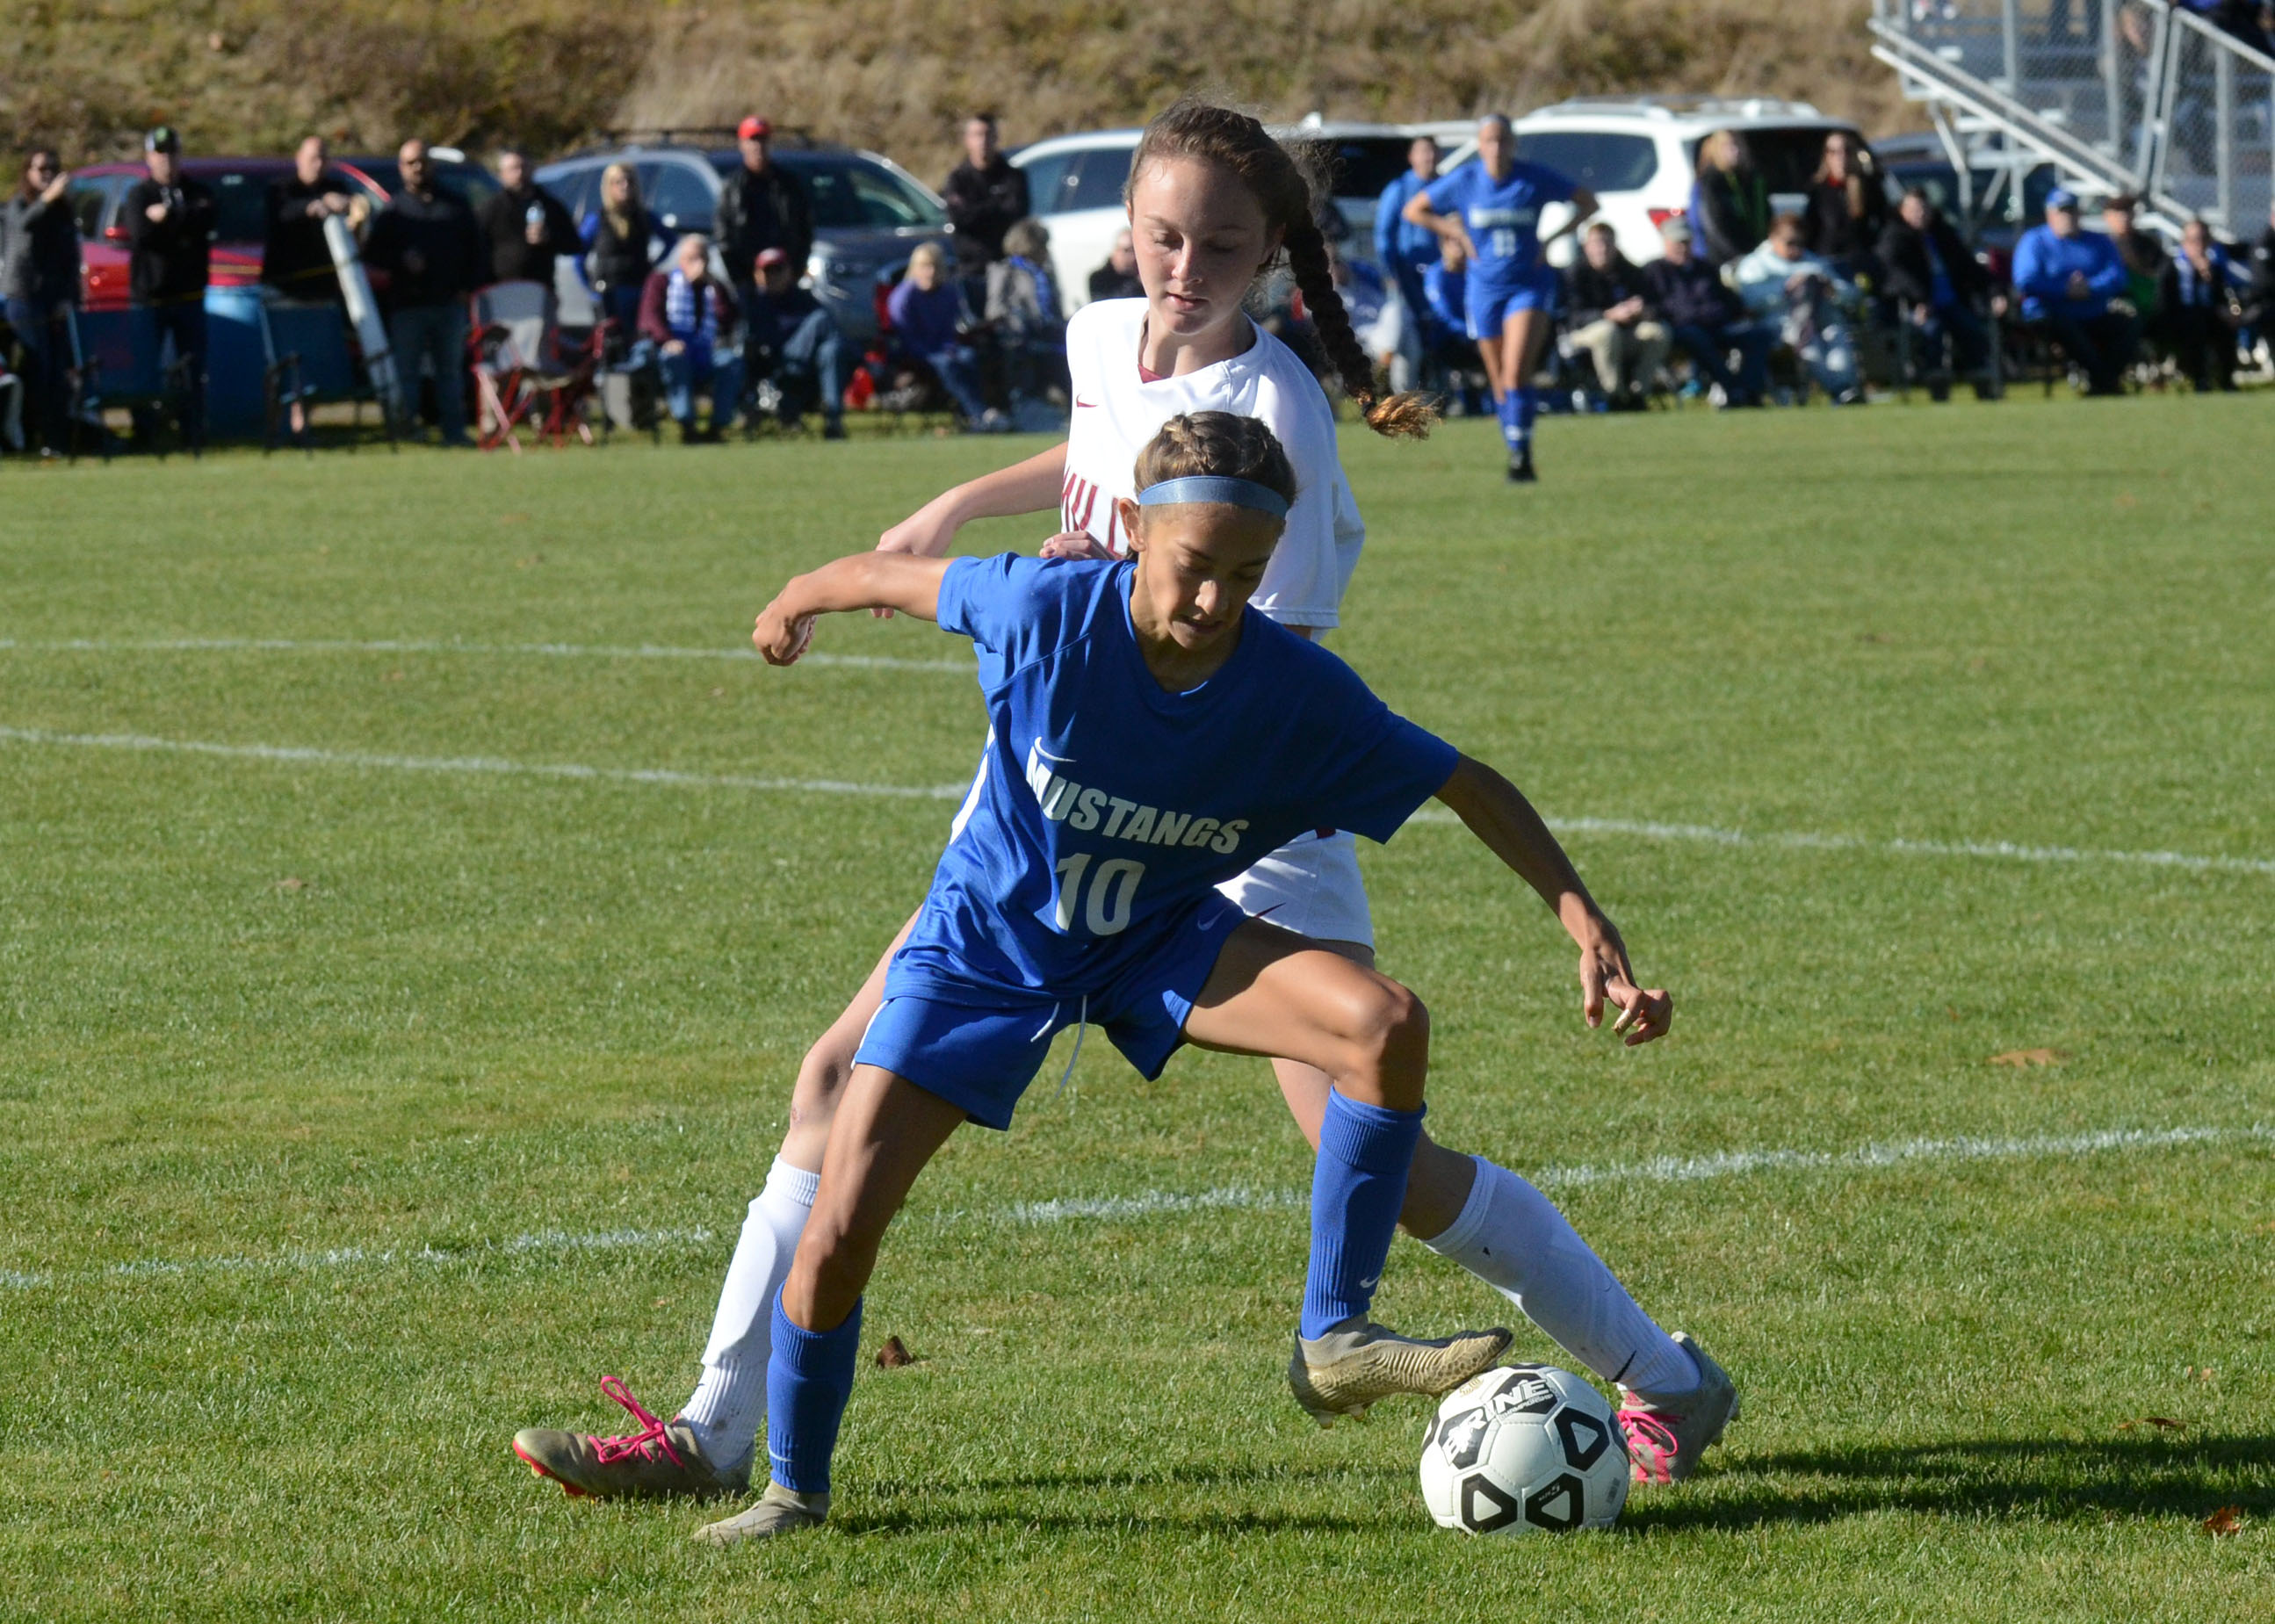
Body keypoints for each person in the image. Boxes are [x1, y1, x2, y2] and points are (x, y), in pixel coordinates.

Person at [510, 99, 1735, 1535]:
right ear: (1127, 231)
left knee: (1382, 1155)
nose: (1183, 267)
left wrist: (1099, 607)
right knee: (832, 1077)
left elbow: (1243, 635)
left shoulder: (1279, 415)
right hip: (1061, 783)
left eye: (1219, 244)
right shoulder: (1109, 337)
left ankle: (1657, 1372)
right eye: (1163, 236)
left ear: (1270, 252)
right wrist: (959, 500)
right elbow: (1098, 458)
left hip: (1234, 808)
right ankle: (726, 1430)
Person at [694, 410, 1681, 1541]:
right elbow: (891, 574)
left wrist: (1580, 915)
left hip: (1155, 938)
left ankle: (1335, 1335)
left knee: (1382, 1024)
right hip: (984, 948)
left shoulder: (1291, 688)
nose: (1214, 602)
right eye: (1192, 569)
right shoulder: (1044, 610)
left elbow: (1467, 781)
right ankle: (791, 1492)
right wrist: (793, 597)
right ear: (1131, 530)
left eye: (1246, 576)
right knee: (839, 1229)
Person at [1404, 112, 1598, 481]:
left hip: (1528, 285)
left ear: (1513, 144)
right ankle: (1514, 445)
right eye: (1489, 141)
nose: (1496, 148)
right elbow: (1415, 210)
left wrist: (1553, 238)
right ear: (1479, 145)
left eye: (1503, 140)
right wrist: (1455, 233)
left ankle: (1522, 454)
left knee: (1515, 371)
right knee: (1496, 376)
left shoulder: (1533, 177)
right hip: (1484, 288)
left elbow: (1588, 202)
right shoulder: (1466, 180)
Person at [363, 139, 485, 444]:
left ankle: (454, 431)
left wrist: (467, 289)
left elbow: (478, 251)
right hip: (408, 303)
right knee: (407, 372)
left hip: (448, 302)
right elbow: (373, 255)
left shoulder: (455, 205)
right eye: (410, 163)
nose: (417, 168)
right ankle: (408, 430)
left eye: (422, 162)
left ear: (432, 164)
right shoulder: (393, 211)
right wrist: (401, 261)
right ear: (402, 169)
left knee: (451, 372)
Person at [121, 126, 216, 448]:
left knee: (192, 368)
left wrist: (169, 216)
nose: (167, 160)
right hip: (150, 298)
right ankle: (144, 433)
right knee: (145, 368)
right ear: (149, 157)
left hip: (189, 296)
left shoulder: (196, 191)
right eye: (160, 153)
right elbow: (141, 233)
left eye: (172, 152)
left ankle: (192, 431)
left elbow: (207, 218)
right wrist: (177, 223)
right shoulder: (139, 195)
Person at [1876, 186, 2004, 397]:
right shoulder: (1894, 239)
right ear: (1902, 211)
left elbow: (1969, 267)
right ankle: (1937, 386)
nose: (1921, 215)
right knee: (1932, 331)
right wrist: (1920, 299)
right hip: (1918, 306)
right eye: (1915, 209)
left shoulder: (1943, 235)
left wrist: (1995, 291)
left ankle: (1982, 382)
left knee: (1971, 329)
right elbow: (1896, 275)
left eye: (1925, 209)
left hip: (1951, 303)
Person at [2011, 187, 2136, 394]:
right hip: (2049, 314)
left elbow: (2118, 277)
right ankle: (2105, 383)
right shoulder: (2035, 241)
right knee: (2067, 328)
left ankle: (2102, 383)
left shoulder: (2099, 242)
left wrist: (2090, 288)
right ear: (2050, 214)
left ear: (2080, 214)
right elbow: (2025, 281)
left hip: (2093, 311)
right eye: (2062, 211)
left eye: (2072, 211)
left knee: (2128, 324)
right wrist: (2064, 290)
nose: (2067, 216)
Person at [1731, 213, 1863, 404]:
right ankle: (1839, 391)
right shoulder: (1755, 264)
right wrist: (1786, 288)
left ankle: (1845, 389)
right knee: (1809, 344)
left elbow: (1852, 295)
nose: (1796, 249)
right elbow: (1751, 301)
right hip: (1781, 324)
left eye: (1801, 243)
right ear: (1773, 238)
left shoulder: (1812, 262)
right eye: (1790, 243)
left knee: (1837, 337)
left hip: (1821, 320)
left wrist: (1831, 289)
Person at [1641, 215, 1771, 407]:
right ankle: (1733, 389)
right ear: (1665, 243)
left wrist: (1743, 310)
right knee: (1696, 336)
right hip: (1683, 329)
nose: (1682, 247)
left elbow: (1727, 300)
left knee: (1759, 335)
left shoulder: (1705, 268)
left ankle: (1750, 391)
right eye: (1677, 242)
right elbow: (1656, 307)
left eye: (1686, 242)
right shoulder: (1655, 271)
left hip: (1717, 326)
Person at [1, 147, 80, 458]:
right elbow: (22, 229)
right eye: (41, 168)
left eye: (53, 168)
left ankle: (56, 439)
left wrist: (69, 299)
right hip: (24, 298)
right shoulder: (17, 207)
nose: (47, 174)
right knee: (37, 365)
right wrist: (46, 200)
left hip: (54, 300)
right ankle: (32, 437)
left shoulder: (62, 212)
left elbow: (71, 260)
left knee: (57, 370)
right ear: (28, 173)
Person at [639, 233, 742, 442]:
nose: (700, 264)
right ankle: (687, 425)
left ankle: (717, 427)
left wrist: (713, 288)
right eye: (693, 259)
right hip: (671, 350)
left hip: (705, 353)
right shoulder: (661, 281)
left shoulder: (714, 287)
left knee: (731, 361)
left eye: (704, 258)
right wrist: (668, 340)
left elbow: (728, 319)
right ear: (681, 260)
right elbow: (649, 318)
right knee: (674, 358)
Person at [887, 241, 997, 429]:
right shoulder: (904, 297)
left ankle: (977, 412)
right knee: (946, 364)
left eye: (934, 266)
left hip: (943, 348)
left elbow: (949, 330)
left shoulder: (947, 293)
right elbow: (905, 335)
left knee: (968, 357)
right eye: (924, 266)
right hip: (916, 351)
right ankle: (978, 416)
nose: (930, 272)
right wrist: (936, 351)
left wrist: (949, 347)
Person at [1560, 220, 1669, 409]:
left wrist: (1643, 311)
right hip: (1582, 335)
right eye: (1597, 243)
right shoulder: (1575, 274)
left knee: (1658, 332)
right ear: (1586, 247)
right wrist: (1609, 315)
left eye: (1608, 243)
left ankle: (1638, 395)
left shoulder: (1628, 271)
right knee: (1607, 331)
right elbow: (1573, 317)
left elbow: (1657, 305)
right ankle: (1614, 396)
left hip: (1625, 333)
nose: (1603, 249)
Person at [715, 117, 812, 315]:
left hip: (786, 279)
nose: (758, 146)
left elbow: (805, 230)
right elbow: (724, 238)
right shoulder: (732, 187)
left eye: (762, 140)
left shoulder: (788, 185)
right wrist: (743, 280)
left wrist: (793, 273)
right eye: (752, 140)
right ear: (742, 144)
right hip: (750, 283)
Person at [746, 245, 845, 437]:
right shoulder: (755, 305)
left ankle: (833, 418)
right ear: (757, 275)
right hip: (780, 364)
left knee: (832, 349)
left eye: (778, 270)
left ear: (790, 272)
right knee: (821, 319)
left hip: (811, 367)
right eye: (768, 271)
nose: (773, 276)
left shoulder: (804, 299)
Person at [261, 136, 358, 301]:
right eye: (313, 158)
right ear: (299, 158)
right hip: (285, 287)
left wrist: (347, 204)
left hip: (324, 287)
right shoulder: (280, 188)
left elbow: (355, 210)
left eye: (323, 159)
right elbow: (284, 212)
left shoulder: (336, 188)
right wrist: (314, 206)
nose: (318, 165)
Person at [2157, 218, 2249, 392]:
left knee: (2225, 327)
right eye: (2193, 240)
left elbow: (2225, 295)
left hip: (2209, 314)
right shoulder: (2173, 265)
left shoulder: (2215, 266)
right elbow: (2164, 300)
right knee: (2194, 325)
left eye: (2203, 239)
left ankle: (2226, 380)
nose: (2199, 245)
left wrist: (2208, 277)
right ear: (2184, 242)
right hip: (2180, 316)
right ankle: (2200, 379)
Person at [580, 162, 666, 343]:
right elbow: (578, 255)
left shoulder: (644, 217)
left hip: (639, 286)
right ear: (608, 187)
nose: (624, 186)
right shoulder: (598, 219)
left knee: (640, 336)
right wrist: (589, 287)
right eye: (618, 182)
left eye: (629, 181)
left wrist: (656, 262)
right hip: (610, 290)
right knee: (615, 340)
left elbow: (670, 240)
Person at [985, 217, 1067, 405]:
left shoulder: (1045, 273)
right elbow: (994, 310)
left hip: (1049, 331)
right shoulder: (1005, 271)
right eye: (1042, 246)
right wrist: (1019, 320)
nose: (1046, 252)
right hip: (1020, 334)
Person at [1373, 134, 1442, 343]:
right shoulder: (1399, 189)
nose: (1429, 157)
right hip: (1408, 274)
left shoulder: (1446, 186)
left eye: (1433, 151)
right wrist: (1389, 271)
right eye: (1423, 152)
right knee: (1409, 330)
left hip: (1442, 274)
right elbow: (1384, 233)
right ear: (1412, 157)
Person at [942, 112, 1029, 271]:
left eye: (988, 135)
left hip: (1007, 266)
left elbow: (1015, 214)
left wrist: (977, 210)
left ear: (996, 138)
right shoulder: (958, 180)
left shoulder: (1012, 176)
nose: (983, 141)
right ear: (967, 140)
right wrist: (995, 205)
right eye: (977, 135)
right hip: (971, 267)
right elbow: (960, 219)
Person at [479, 149, 577, 288]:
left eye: (524, 167)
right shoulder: (491, 209)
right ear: (501, 174)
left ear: (532, 169)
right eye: (513, 169)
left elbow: (573, 244)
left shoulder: (550, 205)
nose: (520, 173)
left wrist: (549, 237)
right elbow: (476, 250)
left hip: (541, 287)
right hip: (503, 289)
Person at [1801, 132, 1888, 278]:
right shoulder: (1818, 190)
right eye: (1833, 152)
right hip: (1828, 262)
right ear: (1826, 156)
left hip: (1860, 262)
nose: (1841, 156)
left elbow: (1882, 223)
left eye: (1846, 150)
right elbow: (1811, 229)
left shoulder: (1869, 187)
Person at [1692, 130, 1769, 267]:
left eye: (1739, 146)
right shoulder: (1711, 181)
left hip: (1752, 255)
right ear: (1716, 150)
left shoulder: (1746, 179)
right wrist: (1737, 256)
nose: (1737, 151)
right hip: (1721, 258)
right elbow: (1713, 225)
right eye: (1729, 147)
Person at [2100, 194, 2167, 329]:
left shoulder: (2148, 244)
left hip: (2146, 301)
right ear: (2107, 216)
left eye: (2127, 212)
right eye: (2118, 213)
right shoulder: (2101, 245)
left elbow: (2159, 273)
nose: (2124, 217)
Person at [1088, 227, 1142, 302]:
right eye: (1128, 251)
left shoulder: (1142, 276)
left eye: (1136, 250)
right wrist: (1137, 283)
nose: (1133, 256)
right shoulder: (1099, 279)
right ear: (1116, 251)